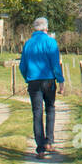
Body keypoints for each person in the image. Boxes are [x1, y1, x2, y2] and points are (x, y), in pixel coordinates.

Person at [18, 17, 64, 156]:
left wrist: (28, 78)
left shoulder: (28, 44)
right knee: (50, 109)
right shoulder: (51, 42)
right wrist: (60, 81)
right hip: (49, 81)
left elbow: (22, 66)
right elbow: (56, 64)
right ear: (46, 28)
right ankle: (49, 141)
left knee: (37, 113)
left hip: (34, 82)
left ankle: (40, 147)